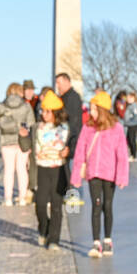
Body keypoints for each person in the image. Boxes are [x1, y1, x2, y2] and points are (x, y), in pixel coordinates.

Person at [70, 89, 129, 258]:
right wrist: (76, 177)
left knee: (107, 206)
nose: (91, 112)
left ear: (102, 110)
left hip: (109, 174)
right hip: (93, 173)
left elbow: (122, 154)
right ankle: (96, 242)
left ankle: (108, 240)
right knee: (96, 206)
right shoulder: (88, 128)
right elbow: (80, 151)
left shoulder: (116, 128)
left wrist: (122, 176)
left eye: (94, 109)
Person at [33, 90, 71, 250]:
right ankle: (44, 228)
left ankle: (54, 239)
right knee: (40, 204)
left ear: (54, 111)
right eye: (42, 110)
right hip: (42, 168)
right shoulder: (37, 127)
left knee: (56, 205)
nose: (43, 113)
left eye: (47, 111)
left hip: (58, 169)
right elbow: (29, 142)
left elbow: (72, 145)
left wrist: (68, 151)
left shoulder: (65, 128)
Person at [0, 83, 35, 206]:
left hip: (6, 141)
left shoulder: (2, 106)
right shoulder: (26, 106)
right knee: (22, 169)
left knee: (8, 170)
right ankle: (22, 198)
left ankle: (8, 199)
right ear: (20, 92)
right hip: (23, 141)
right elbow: (31, 123)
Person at [54, 72, 83, 204]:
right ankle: (71, 195)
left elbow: (72, 122)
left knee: (72, 169)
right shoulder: (65, 97)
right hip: (69, 137)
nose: (57, 86)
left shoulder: (72, 98)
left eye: (59, 83)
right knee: (68, 169)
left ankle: (74, 196)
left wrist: (67, 140)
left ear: (67, 81)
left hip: (72, 138)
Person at [121, 91, 137, 160]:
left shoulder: (134, 106)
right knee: (129, 139)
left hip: (133, 125)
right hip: (129, 125)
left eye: (129, 98)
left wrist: (129, 121)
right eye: (127, 98)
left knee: (132, 140)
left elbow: (136, 116)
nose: (128, 99)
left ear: (133, 98)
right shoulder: (129, 106)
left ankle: (134, 156)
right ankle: (132, 155)